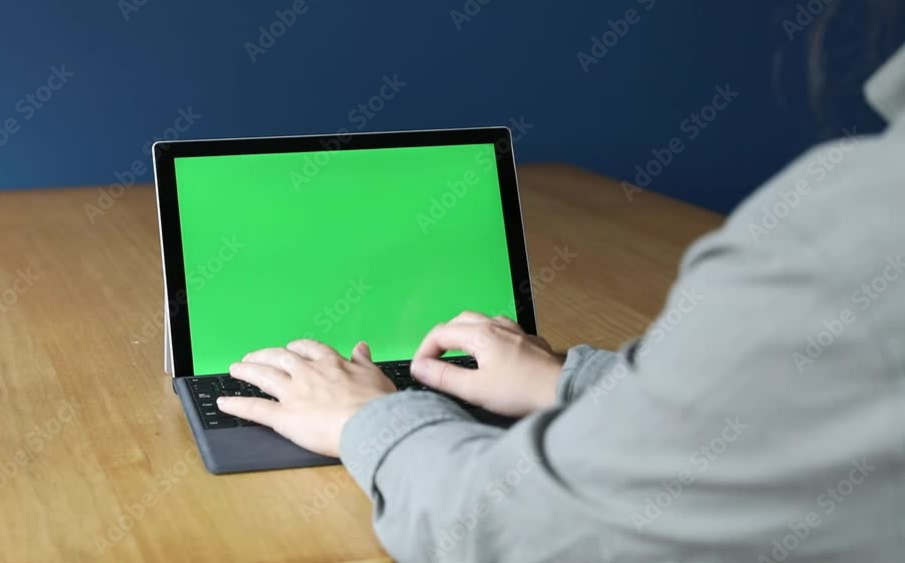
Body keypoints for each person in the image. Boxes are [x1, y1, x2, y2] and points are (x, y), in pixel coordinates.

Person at [217, 34, 905, 563]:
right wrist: (570, 381)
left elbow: (511, 528)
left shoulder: (844, 236)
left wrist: (367, 418)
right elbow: (783, 412)